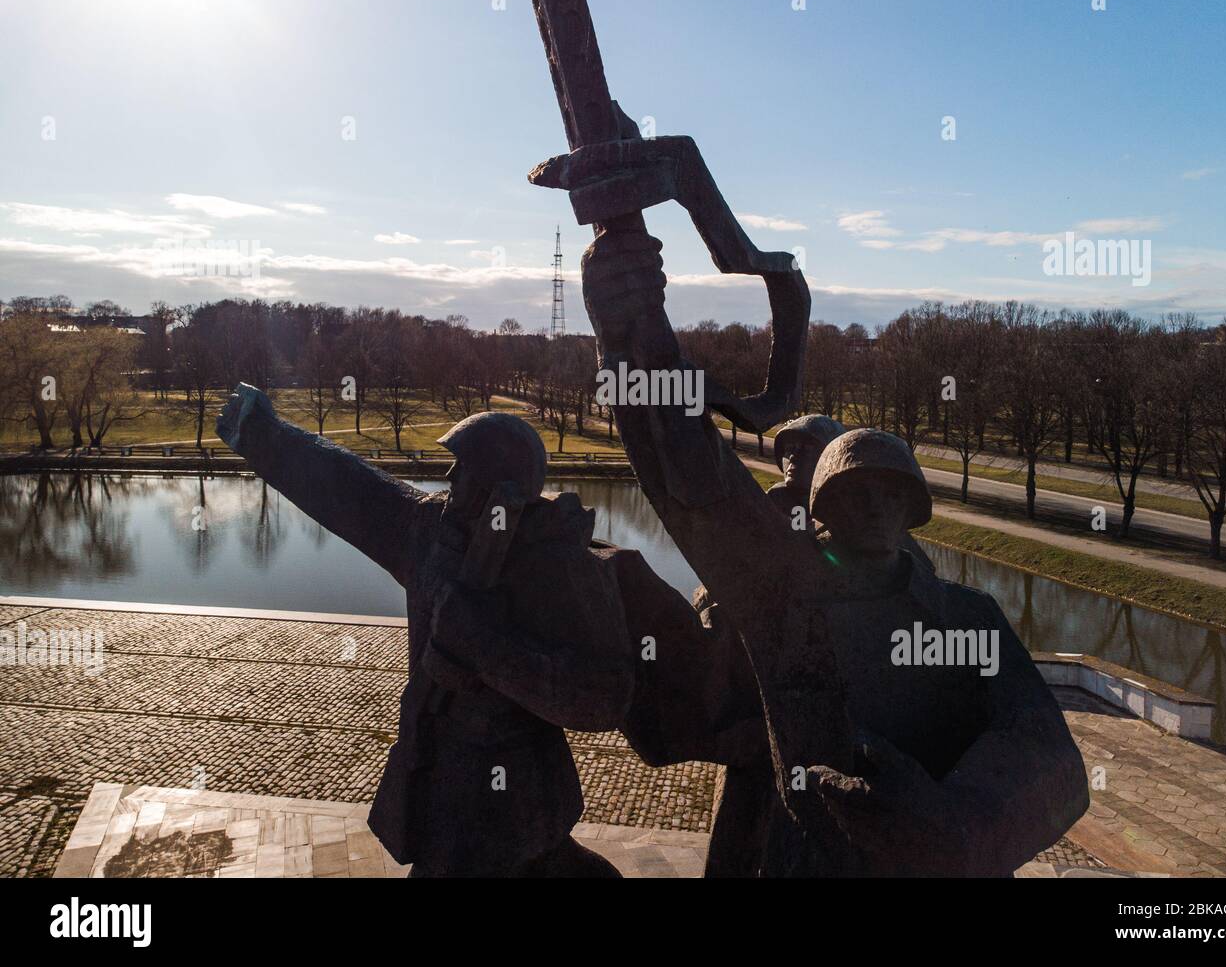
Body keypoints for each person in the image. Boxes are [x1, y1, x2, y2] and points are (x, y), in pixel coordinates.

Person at [531, 134, 1089, 876]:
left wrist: (954, 828)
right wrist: (628, 331)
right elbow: (692, 480)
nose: (877, 511)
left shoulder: (963, 618)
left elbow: (1050, 757)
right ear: (822, 505)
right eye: (856, 493)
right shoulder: (777, 599)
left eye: (894, 495)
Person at [216, 389, 632, 877]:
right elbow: (352, 491)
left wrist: (487, 649)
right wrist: (262, 435)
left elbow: (604, 694)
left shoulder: (556, 562)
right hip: (442, 785)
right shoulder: (429, 531)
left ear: (504, 485)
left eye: (466, 466)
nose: (451, 476)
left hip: (524, 795)